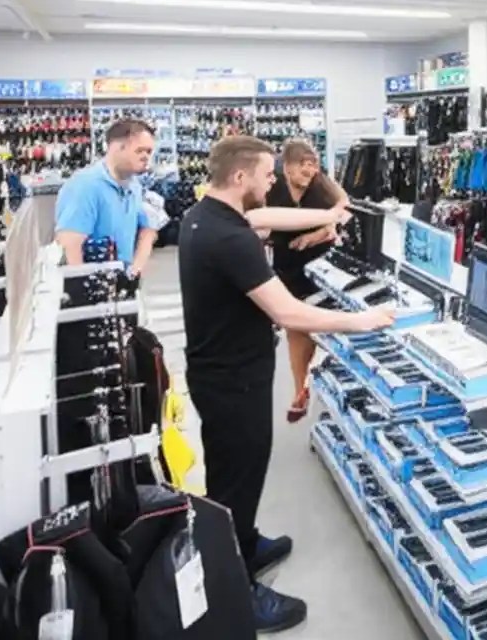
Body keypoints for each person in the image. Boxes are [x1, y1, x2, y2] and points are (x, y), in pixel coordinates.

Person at [177, 136, 393, 632]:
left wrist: (331, 215)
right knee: (236, 480)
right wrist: (361, 321)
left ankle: (246, 545)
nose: (273, 182)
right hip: (234, 381)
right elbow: (287, 311)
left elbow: (272, 220)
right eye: (266, 175)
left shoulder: (207, 215)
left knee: (242, 472)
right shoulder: (228, 238)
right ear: (240, 177)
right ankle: (234, 590)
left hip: (223, 372)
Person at [265, 139, 348, 422]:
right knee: (296, 327)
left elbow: (344, 208)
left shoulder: (321, 184)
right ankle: (300, 388)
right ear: (286, 167)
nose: (309, 173)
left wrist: (317, 233)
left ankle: (323, 383)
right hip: (287, 264)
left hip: (321, 262)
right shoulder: (272, 186)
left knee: (321, 323)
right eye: (303, 168)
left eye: (313, 168)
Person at [54, 118, 158, 273]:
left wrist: (134, 272)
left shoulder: (134, 185)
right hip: (92, 286)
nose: (145, 157)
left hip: (118, 283)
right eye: (139, 150)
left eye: (149, 151)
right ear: (117, 148)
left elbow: (149, 230)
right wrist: (83, 289)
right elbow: (70, 244)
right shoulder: (86, 185)